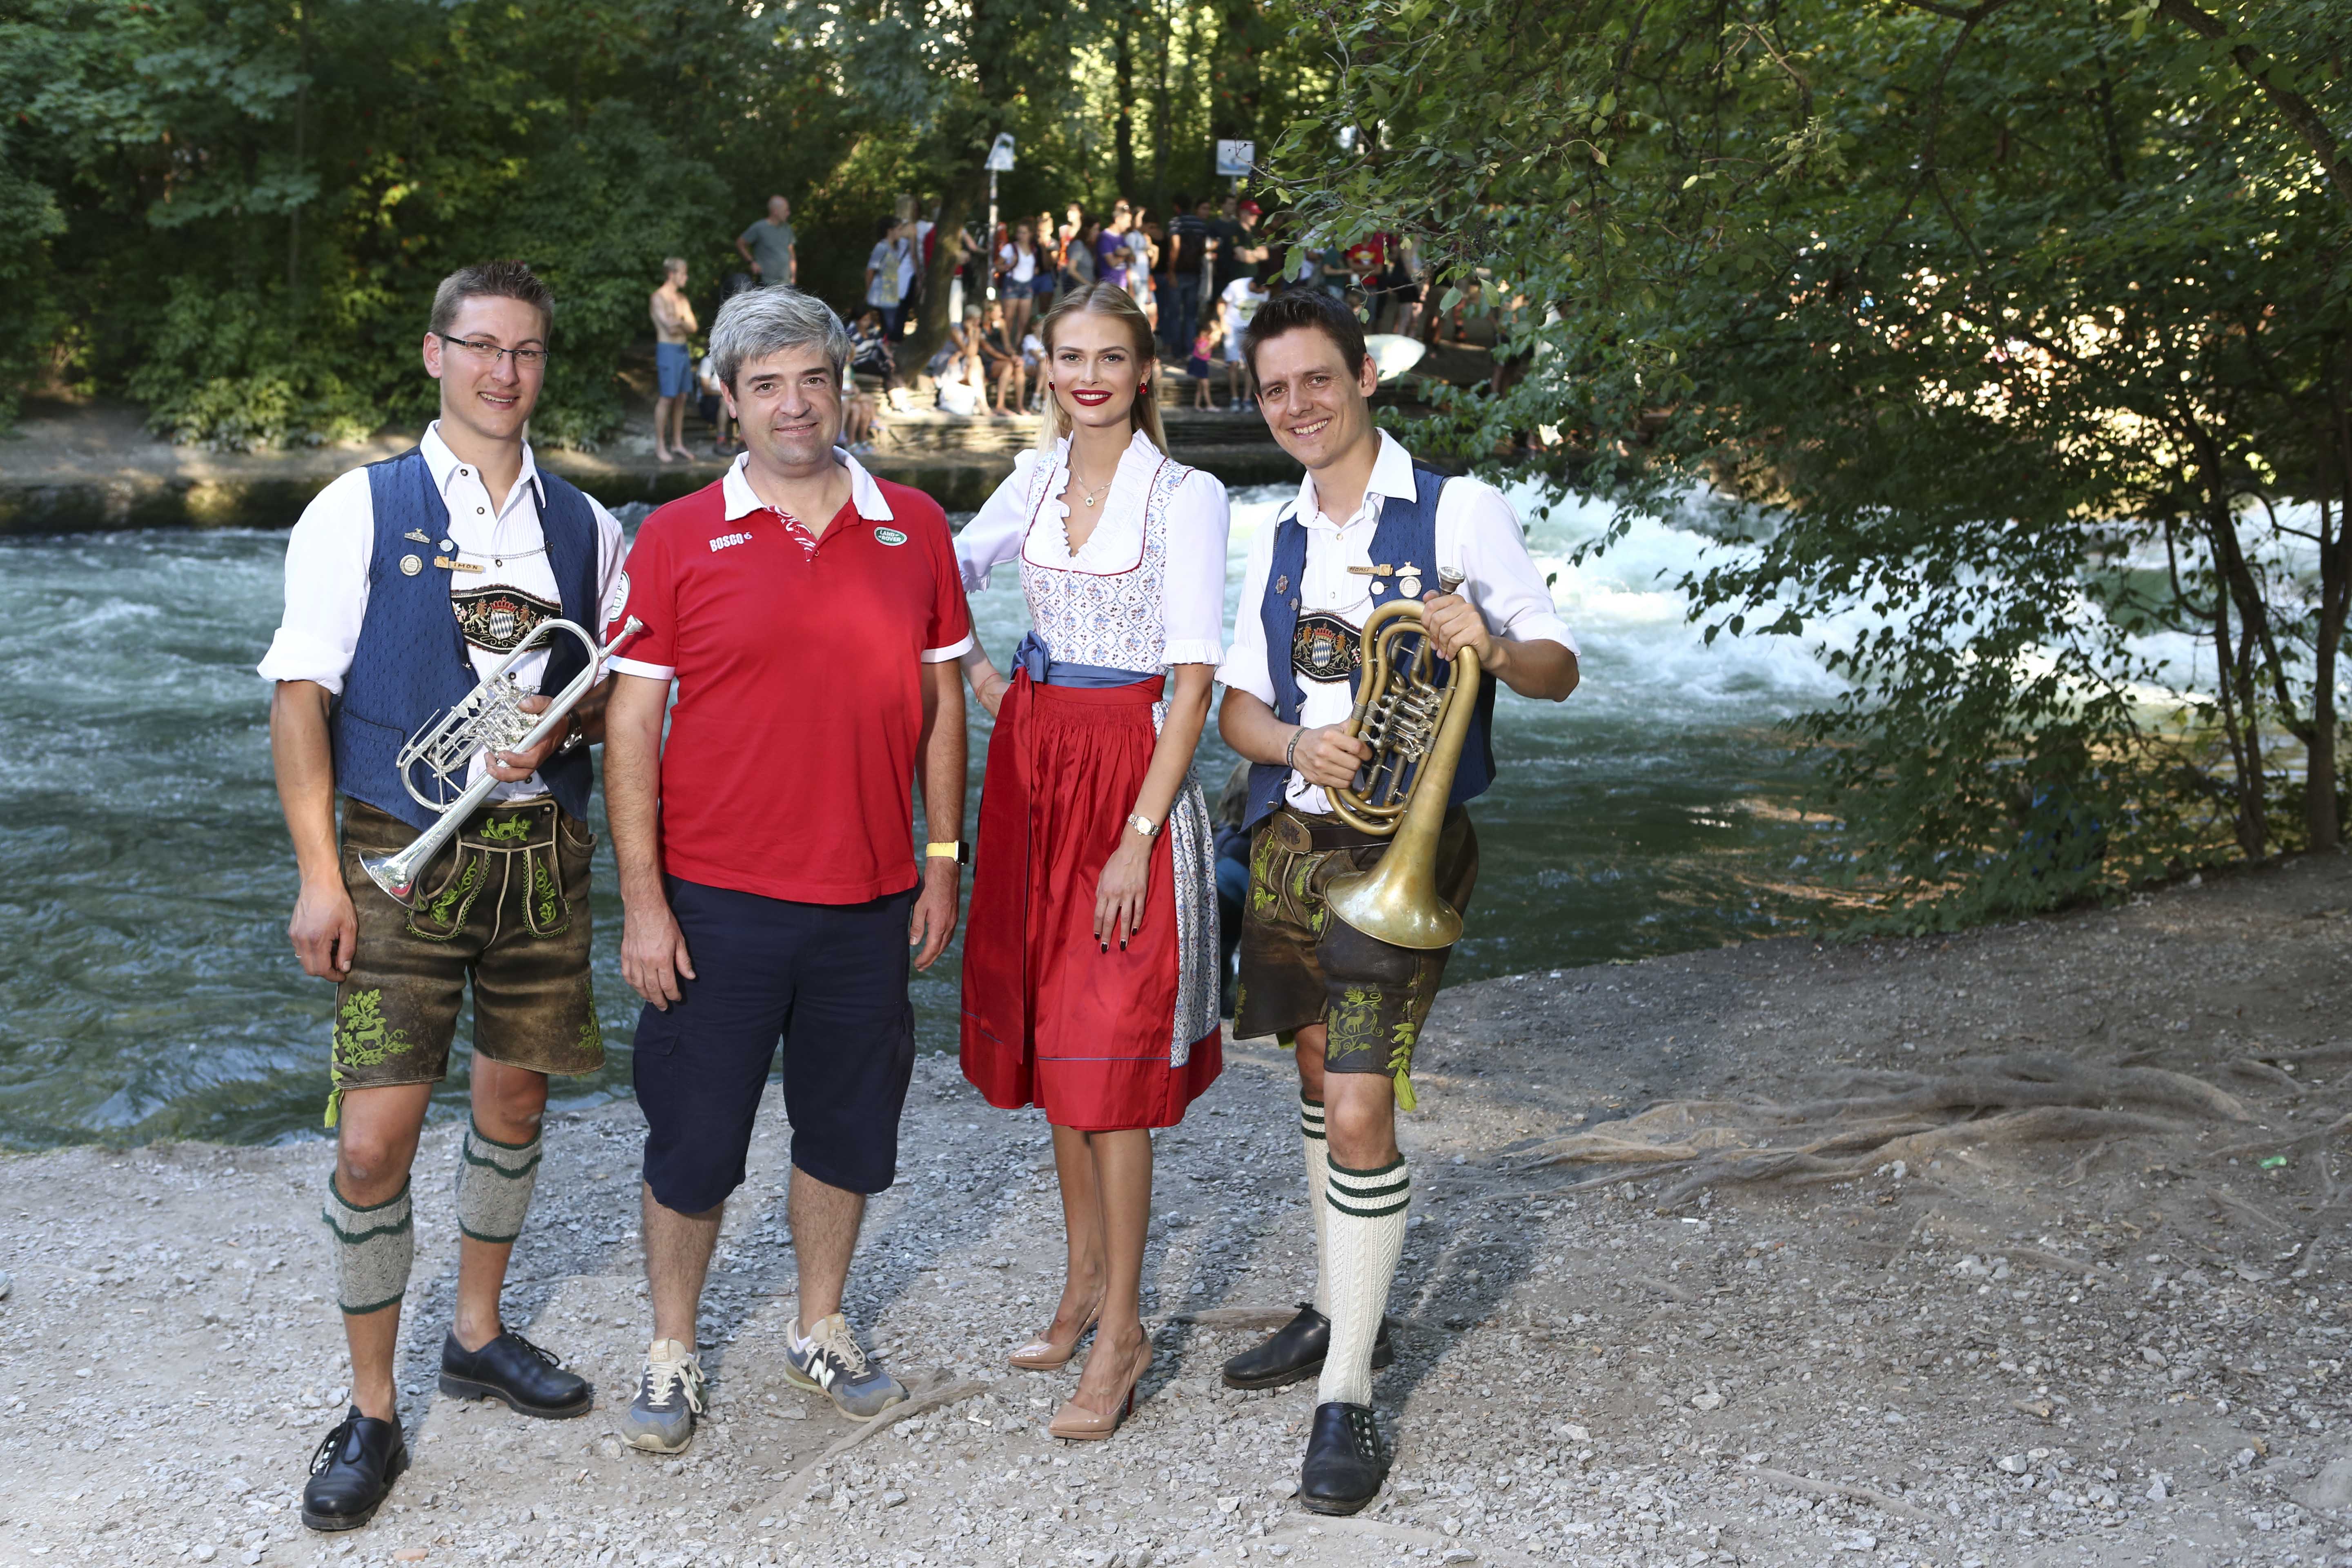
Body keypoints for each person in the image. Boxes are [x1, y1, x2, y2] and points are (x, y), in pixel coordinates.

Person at [259, 259, 627, 1531]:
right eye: (481, 347)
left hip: (537, 854)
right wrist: (320, 875)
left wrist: (562, 733)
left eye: (526, 351)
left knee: (515, 1095)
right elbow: (298, 700)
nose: (504, 373)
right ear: (435, 354)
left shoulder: (588, 527)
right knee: (372, 1142)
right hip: (390, 850)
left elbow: (606, 692)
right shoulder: (356, 510)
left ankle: (474, 1331)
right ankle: (371, 1409)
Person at [1215, 290, 1580, 1514]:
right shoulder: (1275, 536)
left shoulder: (1461, 507)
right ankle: (1337, 1299)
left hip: (1408, 848)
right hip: (1294, 840)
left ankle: (1351, 1395)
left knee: (1364, 1100)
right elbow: (1238, 712)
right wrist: (1290, 745)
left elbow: (1558, 668)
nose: (1299, 406)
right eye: (1276, 389)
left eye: (1318, 379)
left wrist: (1490, 633)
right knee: (1320, 1073)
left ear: (1365, 376)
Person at [601, 286, 973, 1453]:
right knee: (694, 1140)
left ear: (842, 385)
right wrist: (646, 903)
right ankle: (671, 1351)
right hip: (715, 903)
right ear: (728, 401)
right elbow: (628, 728)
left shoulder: (914, 524)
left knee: (847, 1133)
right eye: (765, 385)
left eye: (812, 378)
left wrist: (942, 860)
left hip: (868, 901)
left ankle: (820, 1325)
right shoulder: (673, 539)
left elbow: (947, 703)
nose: (794, 404)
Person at [953, 282, 1227, 1441]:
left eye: (1110, 358)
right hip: (1033, 766)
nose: (1089, 377)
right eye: (1070, 357)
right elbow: (938, 575)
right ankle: (1079, 1287)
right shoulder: (1037, 477)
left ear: (1143, 369)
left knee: (1109, 1067)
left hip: (1130, 782)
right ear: (1046, 366)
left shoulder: (1189, 494)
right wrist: (977, 679)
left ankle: (1123, 1331)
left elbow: (1196, 685)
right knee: (1055, 1048)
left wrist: (1138, 837)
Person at [651, 258, 699, 464]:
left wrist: (678, 320)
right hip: (667, 349)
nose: (686, 278)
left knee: (682, 397)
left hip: (682, 349)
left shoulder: (682, 300)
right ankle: (660, 446)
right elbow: (669, 327)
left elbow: (694, 327)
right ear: (672, 274)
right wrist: (682, 321)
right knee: (667, 398)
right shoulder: (658, 297)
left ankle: (677, 444)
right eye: (683, 274)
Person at [1221, 263, 1272, 412]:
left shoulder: (1264, 290)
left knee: (1250, 365)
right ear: (1254, 284)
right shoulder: (1236, 286)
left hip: (1250, 330)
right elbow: (1221, 303)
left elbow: (1261, 308)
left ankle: (1247, 399)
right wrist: (1222, 322)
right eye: (1260, 290)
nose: (1262, 293)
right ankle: (1235, 398)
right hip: (1231, 326)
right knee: (1234, 364)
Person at [1163, 193, 1208, 359]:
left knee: (1175, 314)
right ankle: (1190, 350)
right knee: (1191, 315)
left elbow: (1175, 247)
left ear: (1176, 206)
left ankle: (1177, 352)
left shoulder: (1176, 222)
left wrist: (1171, 271)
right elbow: (1203, 249)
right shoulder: (1200, 224)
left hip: (1179, 273)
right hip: (1195, 273)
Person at [736, 195, 797, 289]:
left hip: (787, 284)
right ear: (775, 212)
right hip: (767, 284)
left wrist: (793, 278)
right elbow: (740, 243)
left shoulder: (788, 229)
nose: (788, 213)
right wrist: (752, 262)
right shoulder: (759, 228)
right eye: (786, 210)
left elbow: (792, 255)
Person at [866, 216, 912, 339]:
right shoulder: (881, 247)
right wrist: (869, 290)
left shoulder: (898, 247)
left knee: (894, 327)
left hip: (894, 294)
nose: (901, 232)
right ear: (890, 230)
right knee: (888, 328)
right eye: (899, 229)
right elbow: (870, 270)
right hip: (883, 294)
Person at [978, 298, 1025, 417]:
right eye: (998, 311)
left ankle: (1020, 406)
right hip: (988, 361)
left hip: (1003, 358)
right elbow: (990, 351)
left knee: (1019, 366)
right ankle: (1000, 406)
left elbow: (1007, 345)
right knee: (1009, 366)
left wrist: (1014, 356)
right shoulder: (979, 327)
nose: (1001, 314)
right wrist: (1009, 360)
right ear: (989, 313)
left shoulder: (1001, 324)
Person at [999, 220, 1040, 346]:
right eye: (1019, 232)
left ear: (1030, 234)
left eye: (1024, 233)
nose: (1021, 235)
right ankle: (1005, 346)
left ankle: (1018, 347)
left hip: (1027, 285)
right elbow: (998, 266)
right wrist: (1009, 265)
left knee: (1024, 321)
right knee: (1008, 319)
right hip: (1012, 284)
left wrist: (1035, 271)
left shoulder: (1034, 249)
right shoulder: (1010, 248)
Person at [1189, 299, 1220, 410]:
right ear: (1210, 333)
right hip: (1199, 363)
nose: (1218, 337)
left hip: (1202, 363)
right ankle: (1209, 405)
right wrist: (1210, 344)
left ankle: (1197, 406)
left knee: (1200, 387)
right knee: (1206, 385)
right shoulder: (1203, 341)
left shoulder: (1207, 341)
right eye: (1217, 334)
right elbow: (1202, 352)